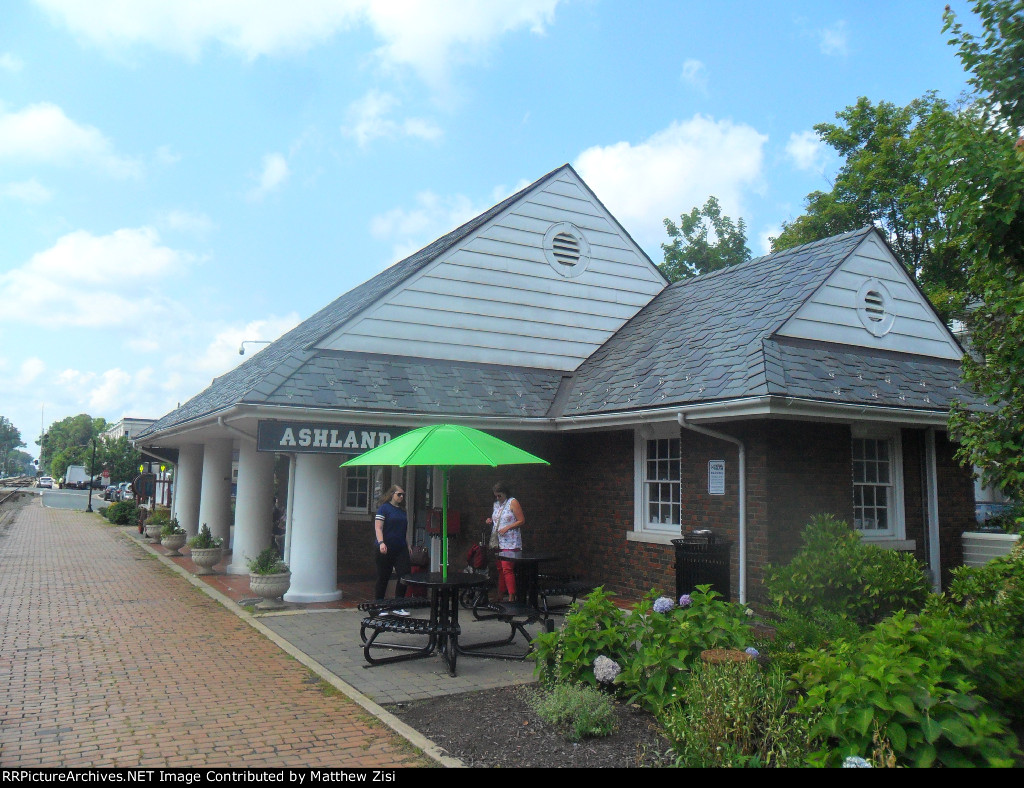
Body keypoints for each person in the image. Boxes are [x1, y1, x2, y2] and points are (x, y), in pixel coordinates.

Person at [373, 484, 411, 612]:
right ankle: (379, 605)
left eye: (403, 495)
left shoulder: (402, 511)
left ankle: (398, 605)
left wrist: (407, 544)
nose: (401, 497)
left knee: (404, 575)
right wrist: (381, 543)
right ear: (391, 494)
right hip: (386, 548)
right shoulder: (384, 509)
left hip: (400, 547)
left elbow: (403, 530)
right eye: (399, 494)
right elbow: (378, 527)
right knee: (383, 576)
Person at [486, 481, 525, 602]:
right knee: (500, 569)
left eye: (500, 495)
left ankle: (511, 595)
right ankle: (500, 594)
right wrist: (490, 520)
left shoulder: (512, 502)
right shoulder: (496, 504)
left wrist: (508, 527)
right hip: (499, 541)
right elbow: (497, 520)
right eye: (496, 496)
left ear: (505, 493)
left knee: (507, 568)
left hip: (511, 541)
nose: (498, 498)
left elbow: (521, 520)